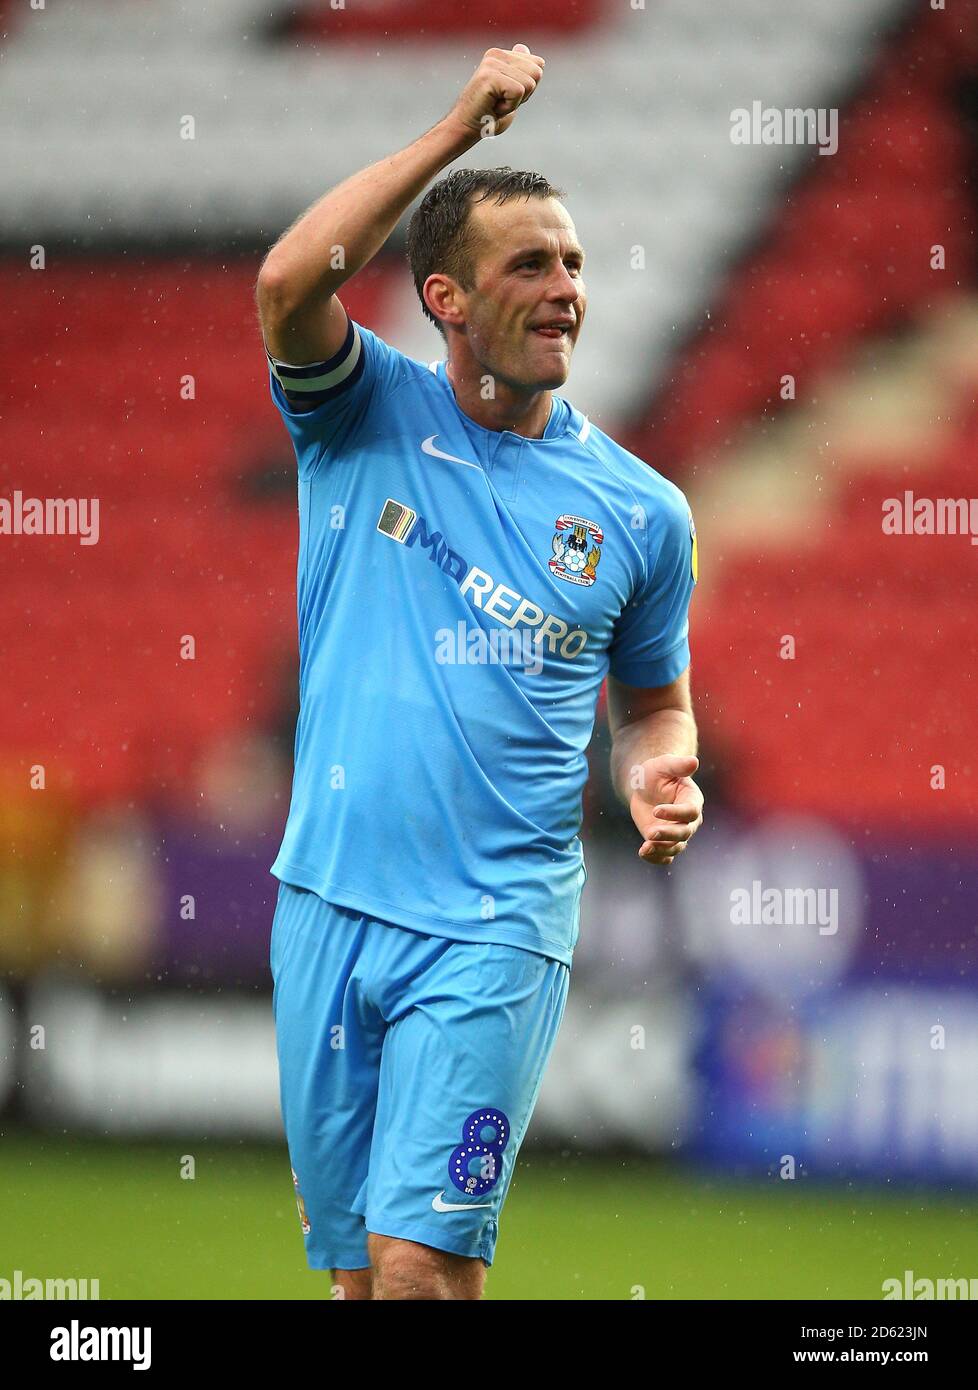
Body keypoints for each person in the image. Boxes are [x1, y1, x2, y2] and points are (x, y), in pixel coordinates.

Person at [257, 42, 703, 1301]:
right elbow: (291, 278)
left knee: (420, 1273)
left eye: (573, 263)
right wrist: (456, 129)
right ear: (446, 298)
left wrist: (661, 768)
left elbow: (654, 700)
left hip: (494, 927)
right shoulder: (362, 413)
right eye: (531, 264)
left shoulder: (641, 511)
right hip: (327, 898)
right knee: (353, 1280)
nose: (567, 289)